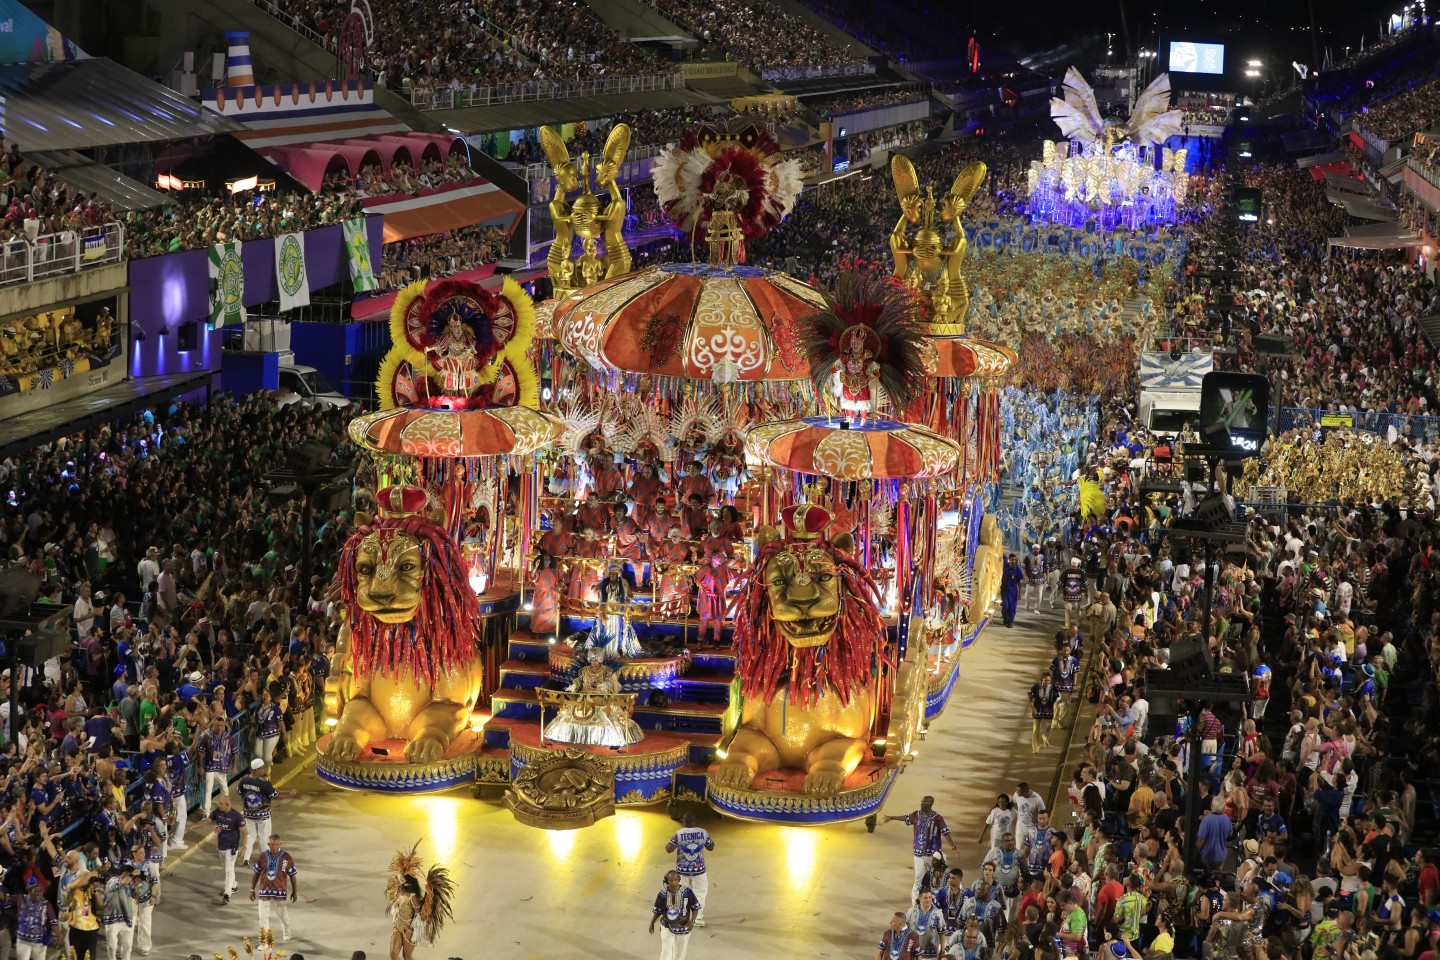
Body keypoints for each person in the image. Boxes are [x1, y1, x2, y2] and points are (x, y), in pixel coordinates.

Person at [883, 795, 959, 904]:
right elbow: (906, 817)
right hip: (918, 854)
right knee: (918, 879)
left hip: (933, 856)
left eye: (925, 803)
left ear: (931, 804)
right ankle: (916, 906)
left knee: (933, 880)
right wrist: (892, 817)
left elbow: (945, 832)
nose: (922, 804)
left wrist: (954, 848)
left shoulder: (937, 818)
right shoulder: (916, 815)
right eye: (922, 802)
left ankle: (931, 903)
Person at [666, 814, 714, 927]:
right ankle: (697, 918)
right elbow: (711, 847)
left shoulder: (678, 834)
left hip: (682, 871)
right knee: (700, 893)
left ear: (684, 822)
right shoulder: (703, 832)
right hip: (699, 870)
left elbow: (668, 849)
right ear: (695, 822)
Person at [250, 834, 299, 940]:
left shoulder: (286, 857)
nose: (274, 847)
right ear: (268, 844)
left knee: (283, 916)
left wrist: (294, 891)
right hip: (264, 892)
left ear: (280, 844)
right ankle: (266, 941)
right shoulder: (262, 856)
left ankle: (286, 931)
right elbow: (256, 873)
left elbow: (292, 875)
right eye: (272, 844)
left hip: (279, 892)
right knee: (263, 918)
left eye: (277, 844)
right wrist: (252, 889)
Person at [649, 870, 700, 960]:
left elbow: (695, 908)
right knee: (665, 951)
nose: (674, 882)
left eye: (676, 880)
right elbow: (658, 910)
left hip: (684, 927)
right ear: (667, 881)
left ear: (679, 879)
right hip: (666, 925)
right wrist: (652, 922)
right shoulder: (662, 894)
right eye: (671, 880)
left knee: (679, 954)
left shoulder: (688, 892)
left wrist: (692, 921)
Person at [239, 758, 282, 862]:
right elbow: (275, 796)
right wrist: (289, 795)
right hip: (263, 816)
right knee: (264, 838)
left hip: (249, 815)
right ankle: (265, 859)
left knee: (250, 836)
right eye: (262, 768)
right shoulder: (264, 783)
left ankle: (246, 858)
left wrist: (248, 806)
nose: (264, 770)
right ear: (256, 770)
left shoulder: (244, 780)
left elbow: (240, 793)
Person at [207, 794, 247, 904]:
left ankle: (227, 894)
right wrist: (193, 827)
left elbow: (244, 832)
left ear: (227, 804)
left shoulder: (237, 816)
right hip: (221, 846)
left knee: (228, 870)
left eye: (220, 803)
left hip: (232, 847)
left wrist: (244, 848)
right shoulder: (218, 812)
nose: (218, 805)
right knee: (227, 868)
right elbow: (213, 823)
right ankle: (234, 886)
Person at [198, 716, 235, 817]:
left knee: (225, 790)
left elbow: (235, 751)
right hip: (210, 768)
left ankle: (226, 810)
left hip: (222, 768)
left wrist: (235, 766)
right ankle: (206, 814)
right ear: (214, 725)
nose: (219, 727)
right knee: (208, 790)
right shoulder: (207, 736)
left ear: (224, 727)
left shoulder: (228, 737)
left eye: (221, 726)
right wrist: (201, 766)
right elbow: (201, 752)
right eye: (217, 725)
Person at [13, 879, 57, 960]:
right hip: (23, 941)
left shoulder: (46, 904)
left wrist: (60, 936)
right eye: (35, 891)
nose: (39, 893)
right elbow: (5, 898)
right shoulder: (21, 899)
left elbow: (53, 922)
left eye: (41, 891)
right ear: (29, 891)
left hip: (40, 942)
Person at [99, 870, 136, 960]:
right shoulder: (113, 880)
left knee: (127, 946)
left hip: (127, 917)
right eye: (129, 875)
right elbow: (122, 883)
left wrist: (136, 884)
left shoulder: (130, 883)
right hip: (112, 918)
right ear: (124, 873)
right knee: (112, 946)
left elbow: (136, 896)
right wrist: (133, 874)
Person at [1028, 672, 1057, 753]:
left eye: (1049, 680)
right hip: (1038, 711)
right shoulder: (1036, 687)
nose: (1047, 682)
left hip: (1048, 711)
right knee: (1036, 729)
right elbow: (1030, 699)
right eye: (1045, 680)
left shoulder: (1053, 687)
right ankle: (1035, 748)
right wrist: (1033, 709)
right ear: (1042, 680)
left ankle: (1045, 737)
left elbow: (1055, 699)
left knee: (1047, 728)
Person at [1000, 554, 1022, 627]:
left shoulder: (1017, 569)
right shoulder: (1005, 566)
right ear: (1009, 560)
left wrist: (1020, 593)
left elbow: (1019, 582)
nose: (1013, 561)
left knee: (1012, 607)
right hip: (1004, 590)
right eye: (1012, 559)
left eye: (1015, 560)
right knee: (1005, 605)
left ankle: (1010, 621)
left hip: (1013, 591)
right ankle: (1006, 618)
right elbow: (1003, 555)